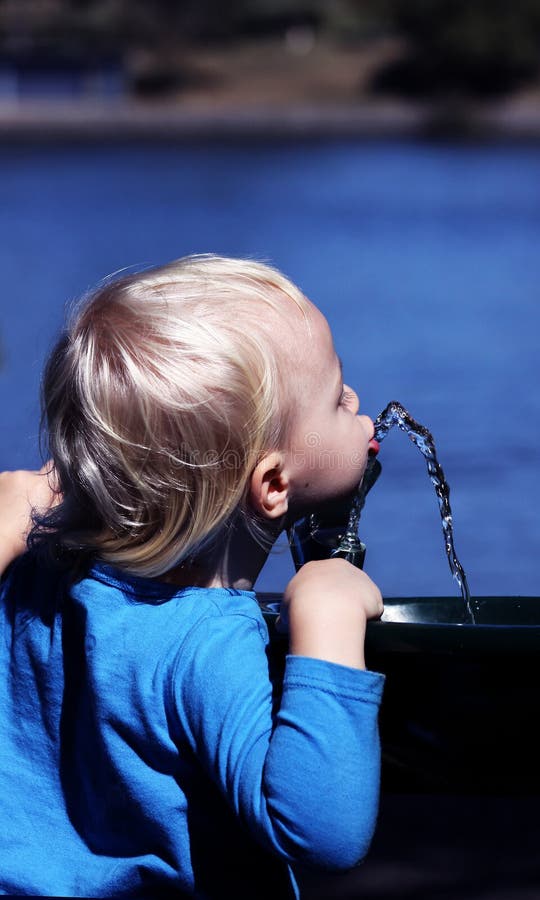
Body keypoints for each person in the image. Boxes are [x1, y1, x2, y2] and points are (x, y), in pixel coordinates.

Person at [0, 255, 384, 899]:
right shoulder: (203, 643)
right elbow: (322, 833)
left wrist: (13, 517)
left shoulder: (37, 577)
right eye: (335, 396)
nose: (354, 401)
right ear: (273, 484)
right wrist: (329, 618)